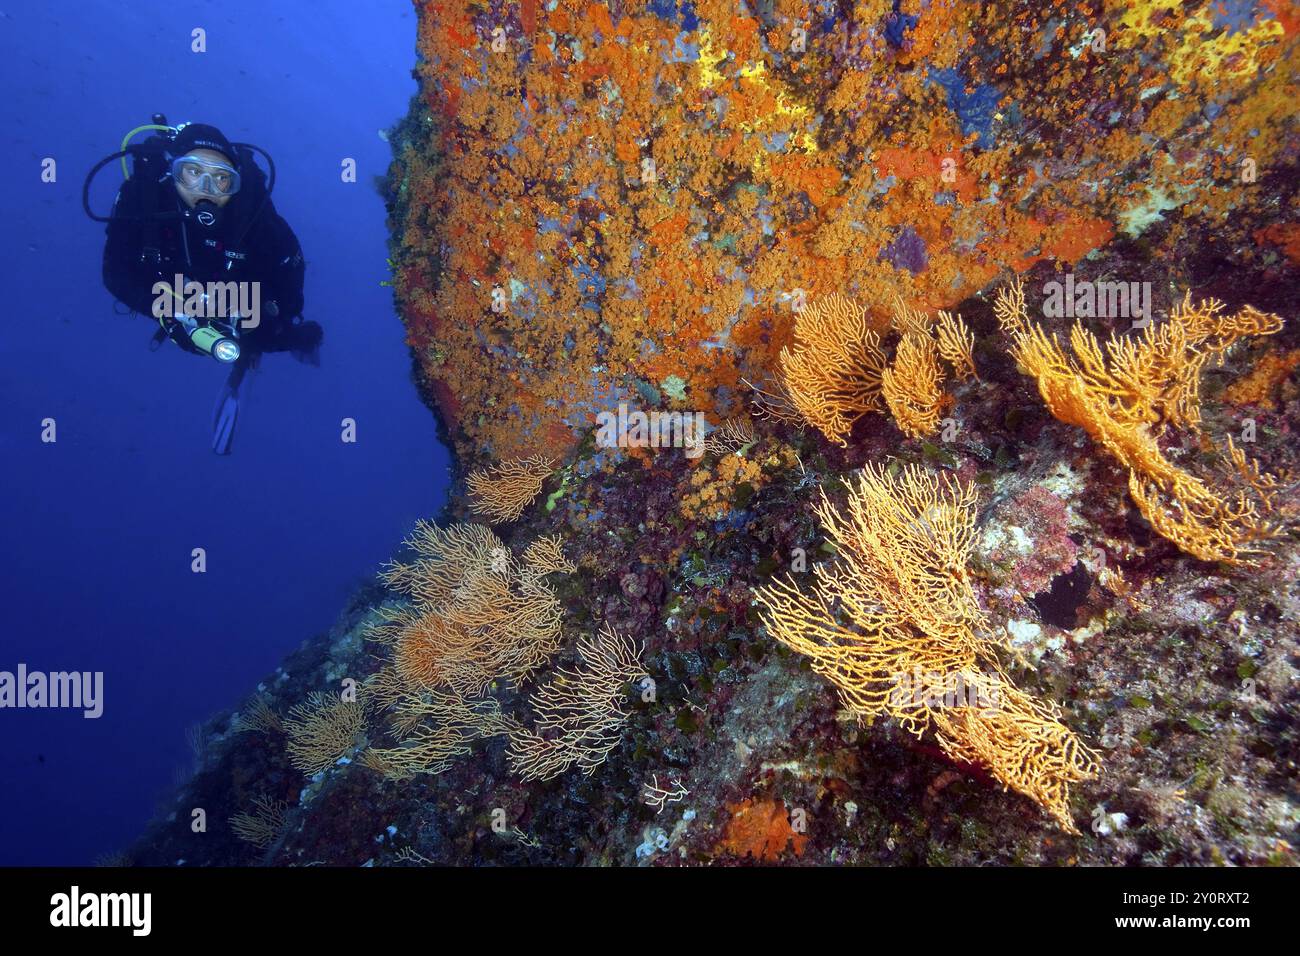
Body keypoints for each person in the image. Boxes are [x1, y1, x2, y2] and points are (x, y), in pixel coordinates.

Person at [92, 119, 321, 453]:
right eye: (192, 173)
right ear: (172, 172)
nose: (206, 189)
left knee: (273, 336)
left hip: (243, 296)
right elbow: (115, 273)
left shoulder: (252, 212)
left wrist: (261, 313)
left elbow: (290, 271)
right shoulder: (143, 199)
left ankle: (261, 353)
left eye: (221, 179)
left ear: (235, 185)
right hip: (170, 297)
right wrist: (168, 314)